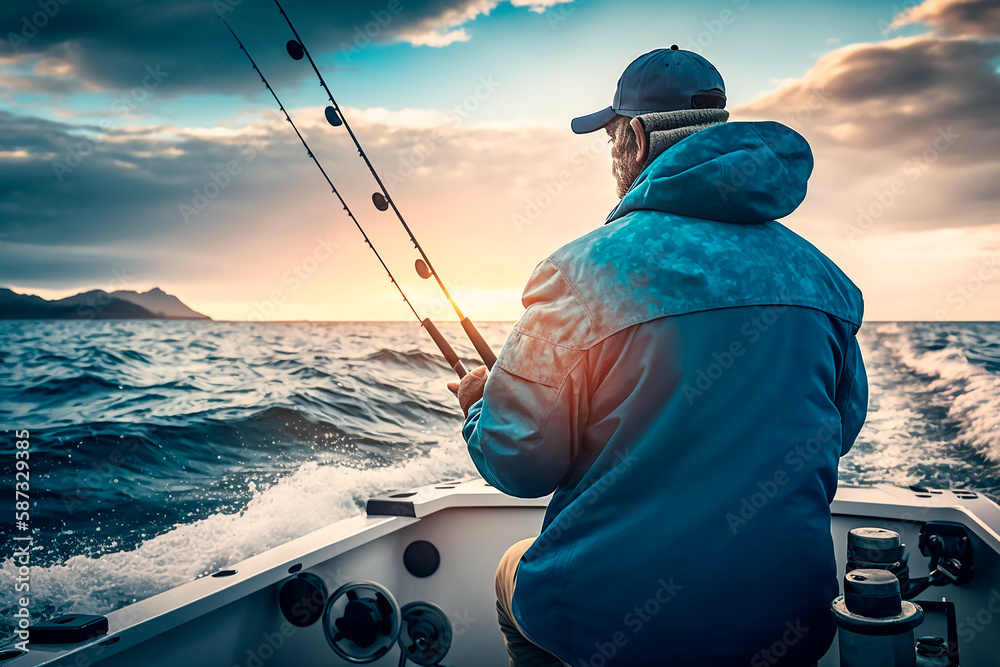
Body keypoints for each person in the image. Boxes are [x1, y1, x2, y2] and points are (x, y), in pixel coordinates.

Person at [448, 46, 867, 666]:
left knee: (516, 581)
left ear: (636, 139)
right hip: (789, 622)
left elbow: (520, 465)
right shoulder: (822, 280)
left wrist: (482, 406)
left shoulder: (577, 273)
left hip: (611, 624)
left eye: (611, 135)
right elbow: (841, 429)